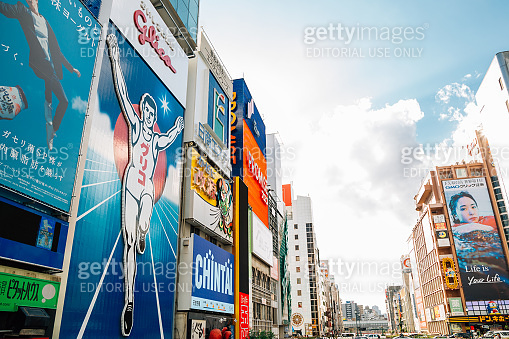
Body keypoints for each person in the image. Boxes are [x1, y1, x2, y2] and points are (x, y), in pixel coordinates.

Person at [106, 34, 184, 337]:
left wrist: (177, 129)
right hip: (131, 184)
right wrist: (115, 55)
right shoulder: (137, 128)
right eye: (148, 113)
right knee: (127, 244)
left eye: (153, 115)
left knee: (149, 198)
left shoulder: (156, 139)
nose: (150, 117)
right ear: (143, 114)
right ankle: (129, 301)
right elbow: (124, 94)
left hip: (147, 188)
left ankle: (143, 230)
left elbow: (169, 137)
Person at [0, 0, 81, 150]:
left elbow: (56, 50)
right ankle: (48, 119)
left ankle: (52, 130)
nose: (29, 1)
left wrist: (71, 68)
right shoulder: (23, 12)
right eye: (27, 0)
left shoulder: (44, 21)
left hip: (49, 66)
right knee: (49, 81)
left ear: (37, 1)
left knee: (64, 101)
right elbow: (6, 9)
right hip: (38, 62)